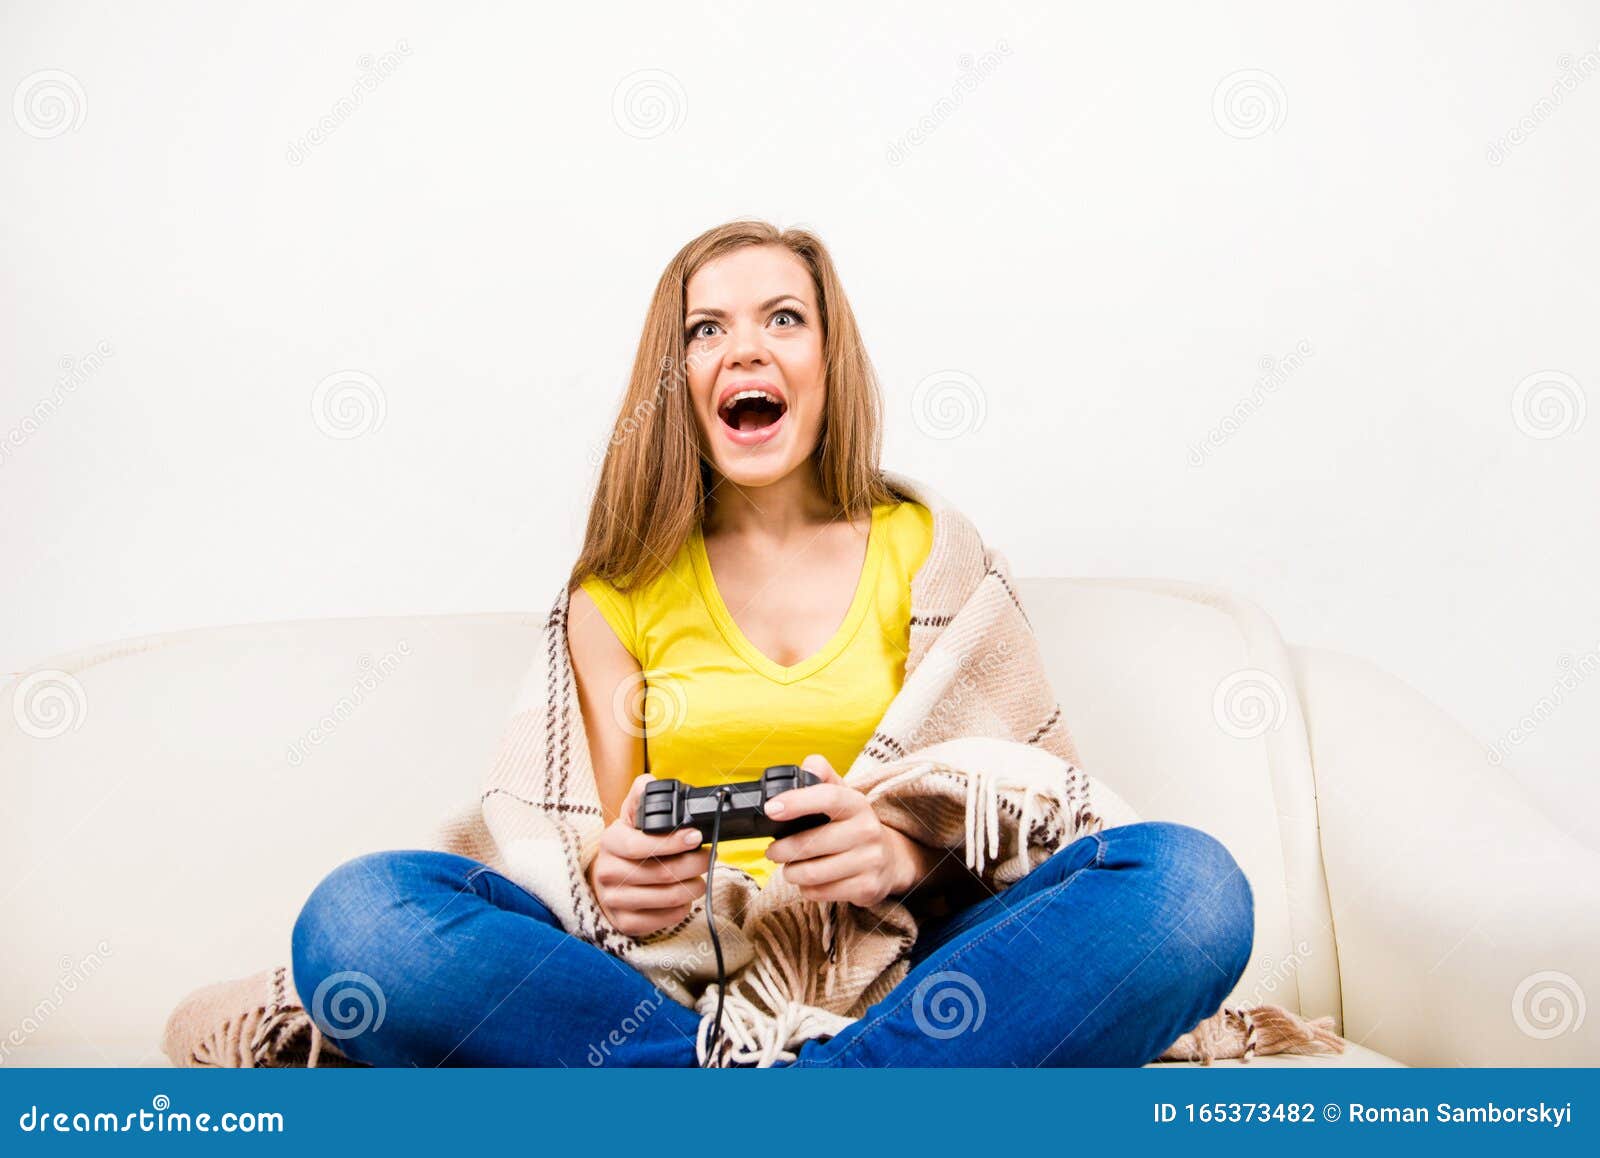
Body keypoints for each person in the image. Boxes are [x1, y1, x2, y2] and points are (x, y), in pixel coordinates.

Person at [290, 219, 1254, 1067]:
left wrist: (897, 857)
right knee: (360, 917)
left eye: (783, 318)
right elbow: (592, 849)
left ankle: (746, 1112)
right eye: (706, 330)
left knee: (1186, 886)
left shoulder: (931, 555)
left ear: (829, 361)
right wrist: (613, 879)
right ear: (676, 380)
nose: (744, 349)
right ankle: (837, 1112)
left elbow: (1024, 827)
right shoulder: (615, 594)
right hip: (665, 997)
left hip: (916, 977)